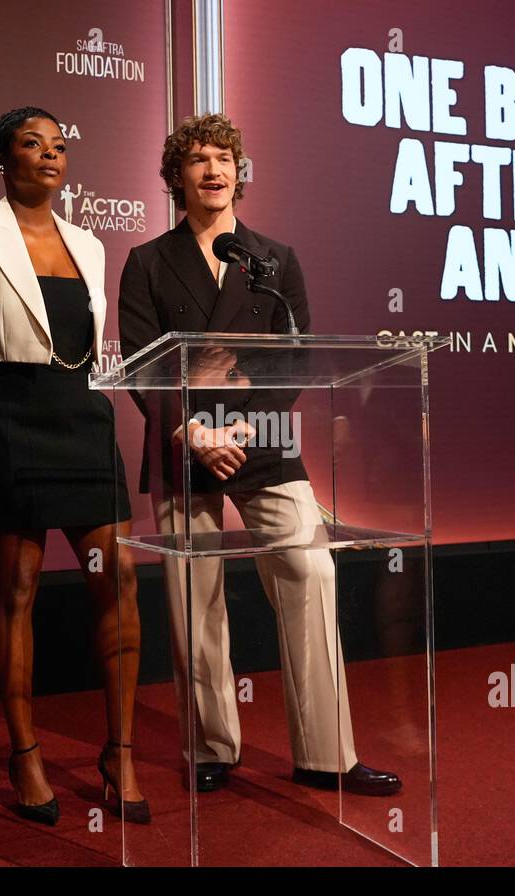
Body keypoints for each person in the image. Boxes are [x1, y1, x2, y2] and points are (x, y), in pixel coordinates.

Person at [117, 113, 401, 797]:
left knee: (310, 571)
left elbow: (297, 357)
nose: (213, 169)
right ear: (175, 178)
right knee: (196, 597)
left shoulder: (275, 259)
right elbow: (141, 366)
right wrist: (193, 432)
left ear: (239, 172)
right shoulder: (147, 263)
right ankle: (211, 745)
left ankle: (326, 754)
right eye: (198, 160)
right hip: (185, 443)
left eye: (224, 157)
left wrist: (241, 429)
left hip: (261, 440)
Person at [0, 106, 147, 826]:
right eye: (31, 143)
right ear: (1, 158)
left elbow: (86, 339)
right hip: (7, 415)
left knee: (122, 576)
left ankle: (121, 752)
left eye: (59, 146)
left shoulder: (90, 242)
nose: (49, 156)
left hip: (81, 413)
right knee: (15, 587)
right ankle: (25, 756)